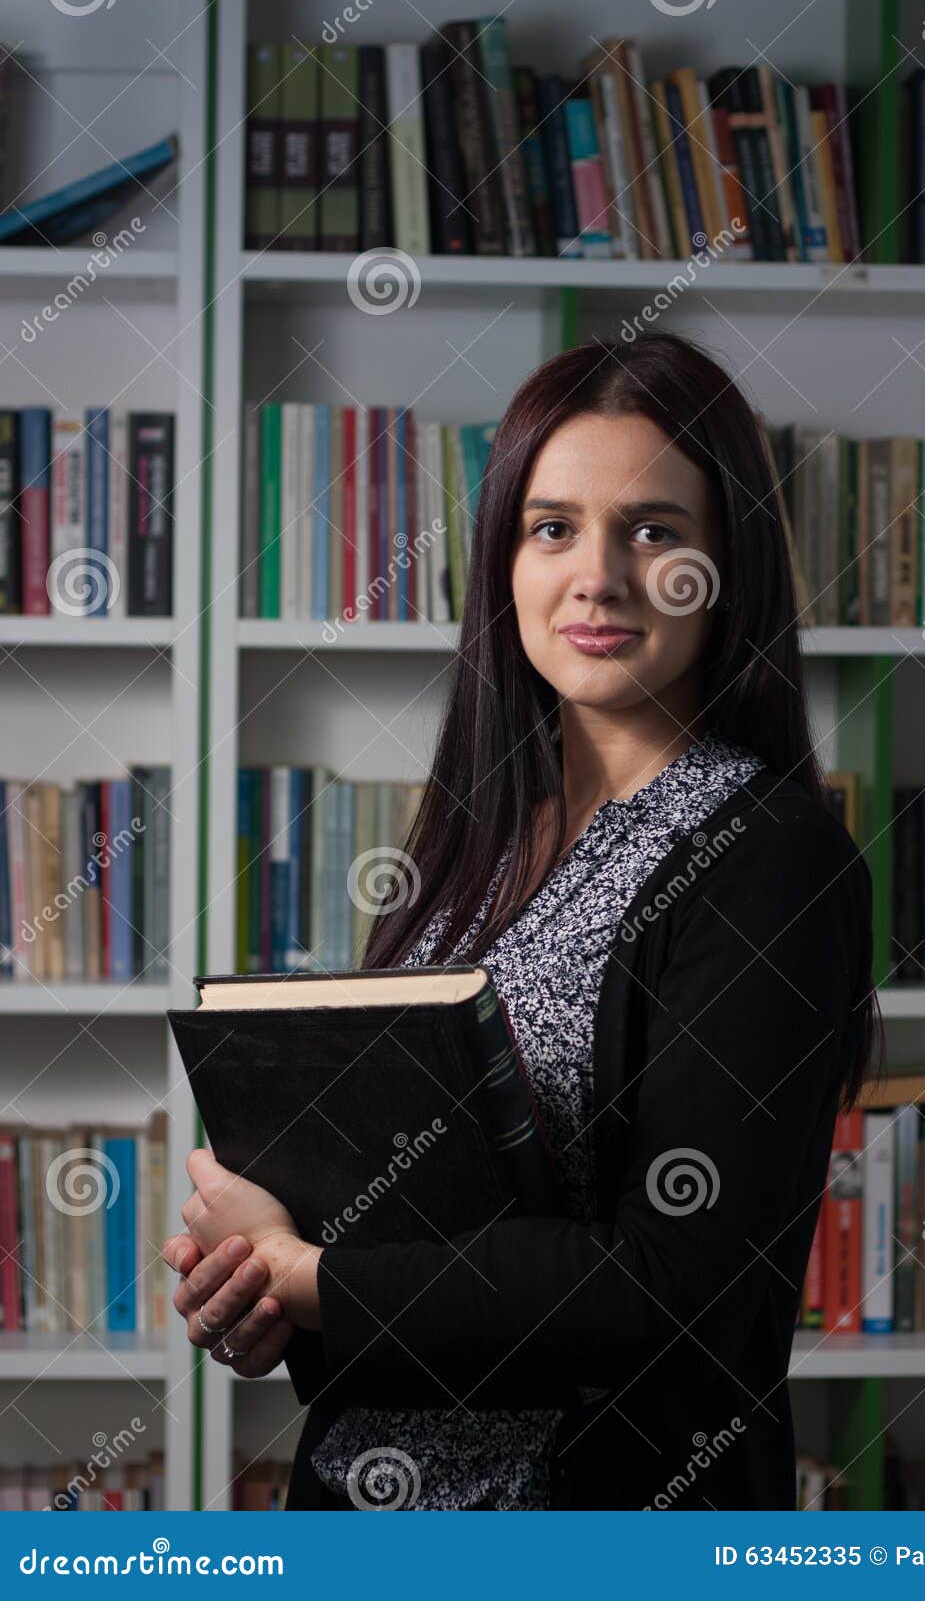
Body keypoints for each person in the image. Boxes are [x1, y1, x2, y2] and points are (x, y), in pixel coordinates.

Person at [163, 331, 880, 1510]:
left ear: (727, 565)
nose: (595, 576)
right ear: (503, 558)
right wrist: (265, 1293)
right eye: (551, 527)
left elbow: (675, 1284)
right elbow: (423, 1228)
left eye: (651, 530)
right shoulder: (480, 842)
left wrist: (319, 1281)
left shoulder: (769, 861)